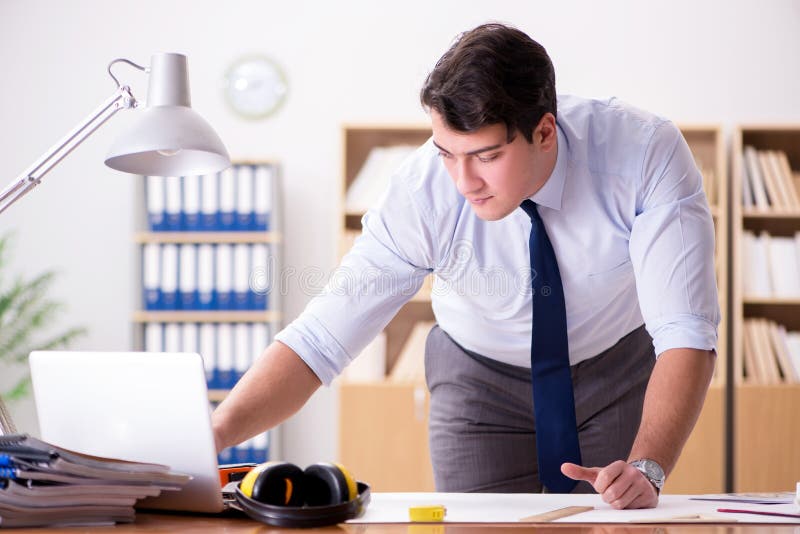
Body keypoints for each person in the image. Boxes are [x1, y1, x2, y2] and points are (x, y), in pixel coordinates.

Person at [212, 23, 719, 510]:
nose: (464, 180)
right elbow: (322, 338)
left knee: (612, 522)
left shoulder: (644, 155)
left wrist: (649, 468)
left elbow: (685, 331)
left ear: (544, 132)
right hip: (478, 376)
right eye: (447, 154)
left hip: (613, 367)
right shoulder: (421, 192)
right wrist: (212, 435)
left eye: (486, 155)